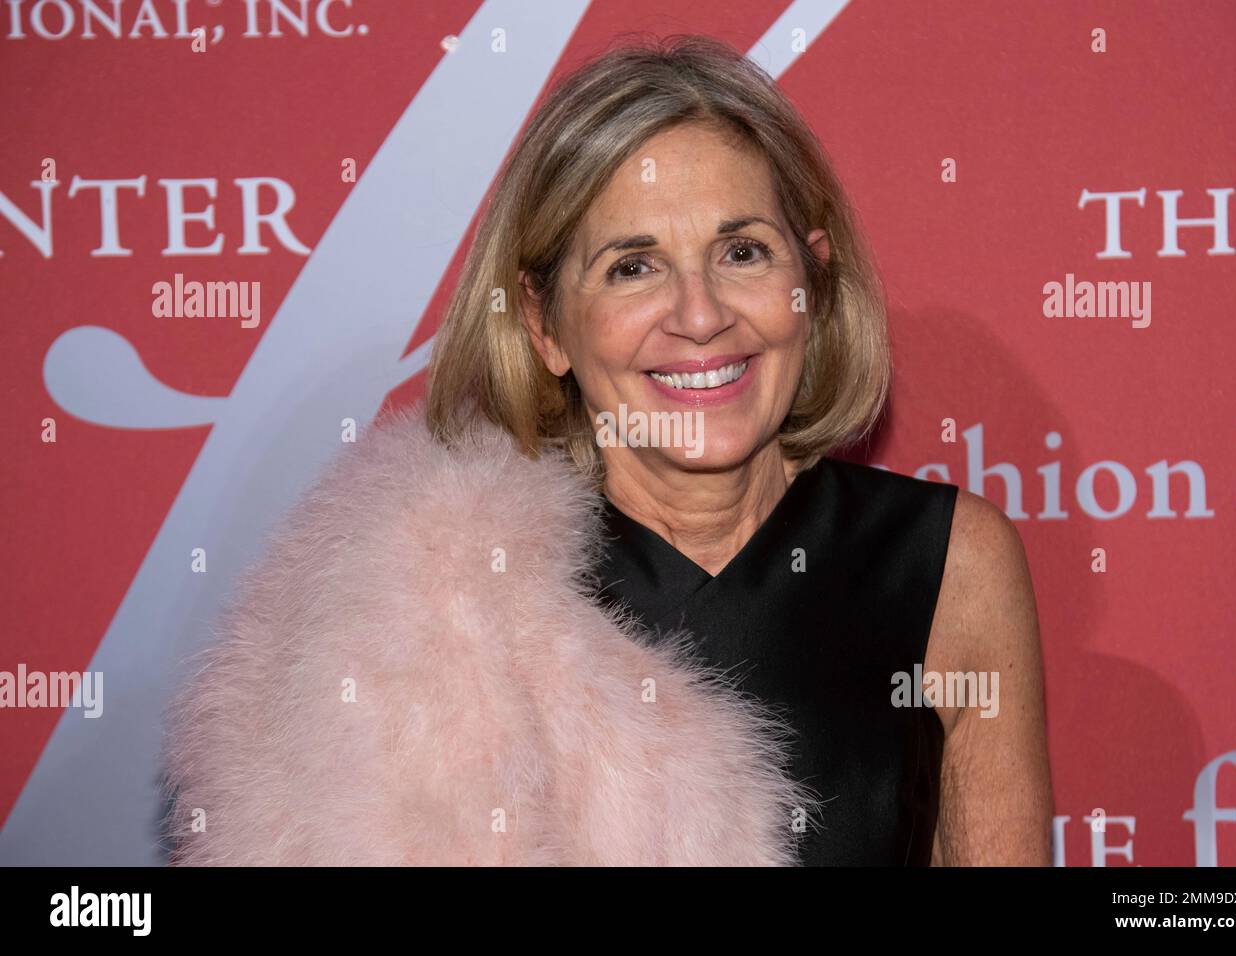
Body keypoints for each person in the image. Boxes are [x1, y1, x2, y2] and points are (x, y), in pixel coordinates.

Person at [163, 35, 1052, 867]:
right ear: (545, 325)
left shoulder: (947, 565)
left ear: (809, 284)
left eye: (742, 251)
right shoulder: (439, 588)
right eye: (633, 266)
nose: (700, 315)